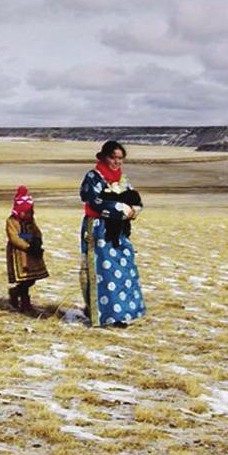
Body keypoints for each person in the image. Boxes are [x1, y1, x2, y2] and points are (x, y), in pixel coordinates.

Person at [79, 140, 145, 327]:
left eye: (120, 159)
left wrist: (134, 209)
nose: (116, 162)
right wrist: (120, 207)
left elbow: (134, 197)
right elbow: (93, 200)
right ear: (104, 156)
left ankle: (122, 312)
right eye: (113, 157)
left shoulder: (122, 179)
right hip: (99, 229)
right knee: (103, 271)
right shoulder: (93, 176)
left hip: (119, 231)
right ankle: (103, 314)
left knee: (123, 268)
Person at [5, 185, 48, 314]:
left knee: (31, 278)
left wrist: (37, 242)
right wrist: (27, 246)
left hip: (31, 253)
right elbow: (14, 237)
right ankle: (24, 302)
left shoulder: (31, 222)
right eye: (25, 211)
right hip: (19, 254)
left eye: (29, 212)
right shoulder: (11, 221)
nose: (28, 214)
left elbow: (37, 232)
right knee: (24, 278)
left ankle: (16, 293)